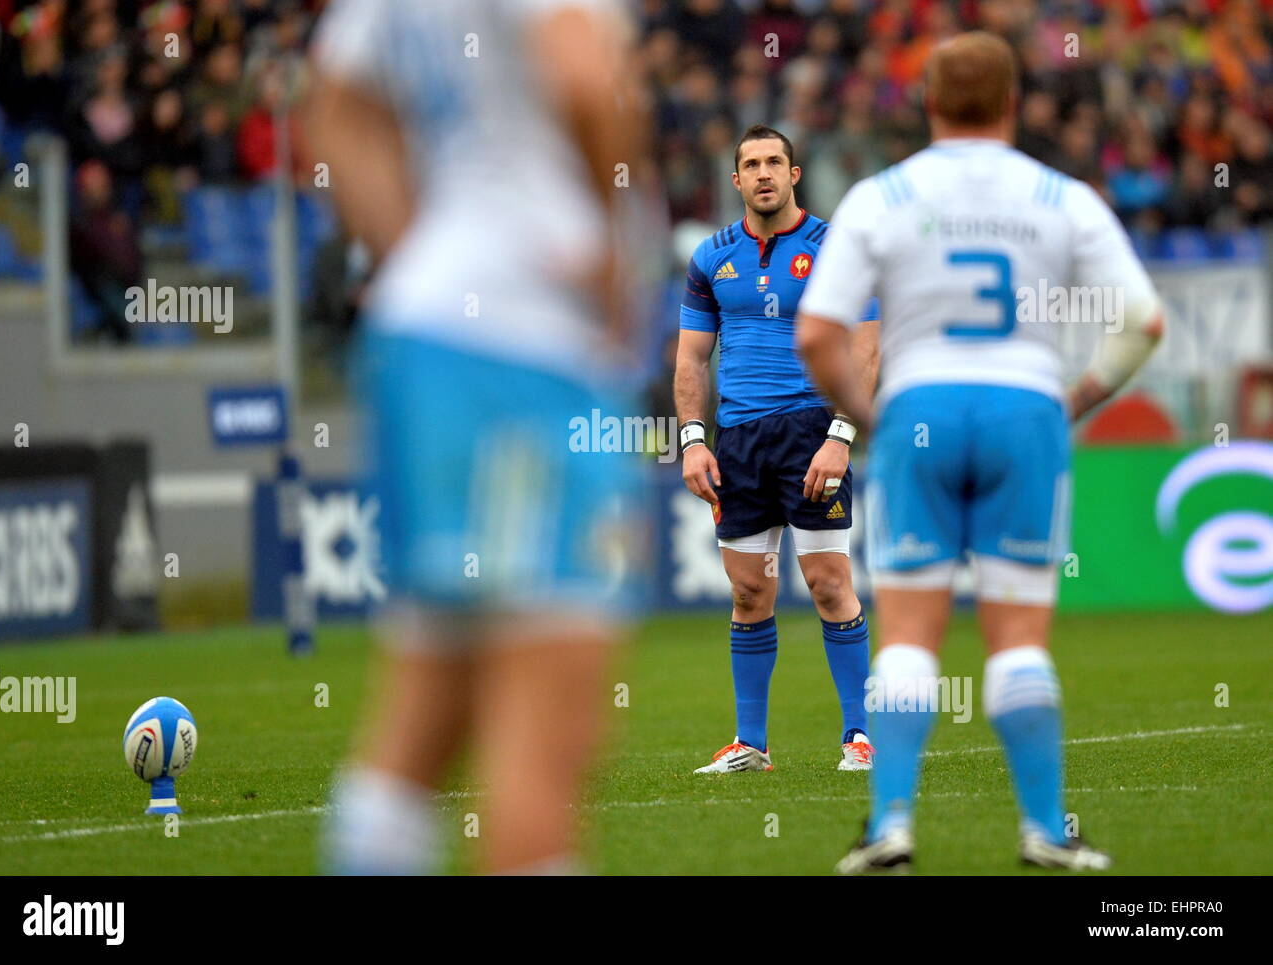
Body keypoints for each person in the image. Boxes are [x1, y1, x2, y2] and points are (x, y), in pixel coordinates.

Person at [796, 32, 1164, 872]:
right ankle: (1044, 830)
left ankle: (889, 824)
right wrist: (1076, 398)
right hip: (1024, 408)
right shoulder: (1059, 194)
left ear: (927, 101)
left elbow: (818, 332)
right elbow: (1143, 319)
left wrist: (868, 416)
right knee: (1019, 637)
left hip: (920, 405)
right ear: (1011, 101)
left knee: (909, 637)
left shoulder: (882, 195)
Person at [306, 0, 647, 875]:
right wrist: (615, 245)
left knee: (425, 710)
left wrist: (417, 248)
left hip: (426, 329)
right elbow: (578, 71)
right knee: (547, 732)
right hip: (526, 342)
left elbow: (332, 108)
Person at [675, 124, 880, 775]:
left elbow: (866, 349)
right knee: (748, 593)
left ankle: (860, 737)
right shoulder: (711, 257)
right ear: (735, 179)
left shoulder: (836, 249)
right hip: (737, 440)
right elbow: (691, 359)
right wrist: (692, 440)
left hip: (810, 432)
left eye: (774, 162)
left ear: (795, 174)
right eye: (751, 164)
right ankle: (752, 745)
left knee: (827, 583)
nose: (763, 173)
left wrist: (841, 437)